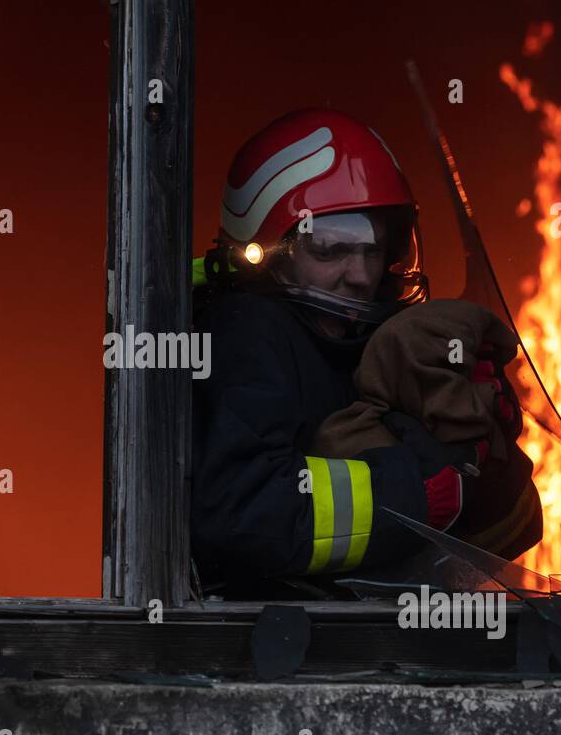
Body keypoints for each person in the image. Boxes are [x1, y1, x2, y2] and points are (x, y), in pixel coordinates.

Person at [191, 108, 521, 599]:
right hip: (273, 653)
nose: (362, 275)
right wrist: (417, 493)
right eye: (329, 247)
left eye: (373, 246)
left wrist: (485, 459)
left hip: (377, 648)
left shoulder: (386, 343)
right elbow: (245, 513)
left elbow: (508, 535)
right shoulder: (246, 332)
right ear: (264, 252)